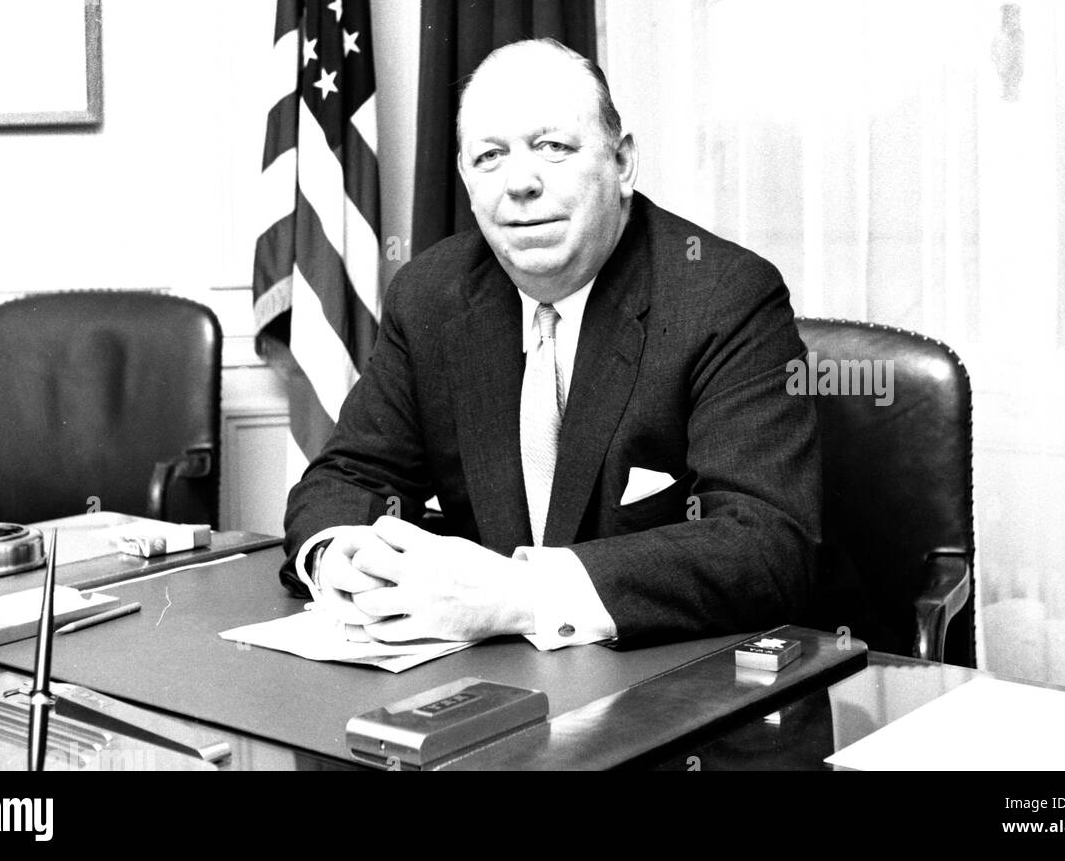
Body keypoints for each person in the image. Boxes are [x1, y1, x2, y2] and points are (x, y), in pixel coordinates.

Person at [281, 37, 820, 648]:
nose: (519, 183)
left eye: (553, 148)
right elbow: (346, 477)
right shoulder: (430, 295)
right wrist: (341, 564)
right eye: (489, 157)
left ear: (623, 163)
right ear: (464, 176)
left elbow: (765, 546)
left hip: (671, 691)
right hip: (484, 694)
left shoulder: (725, 297)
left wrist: (517, 598)